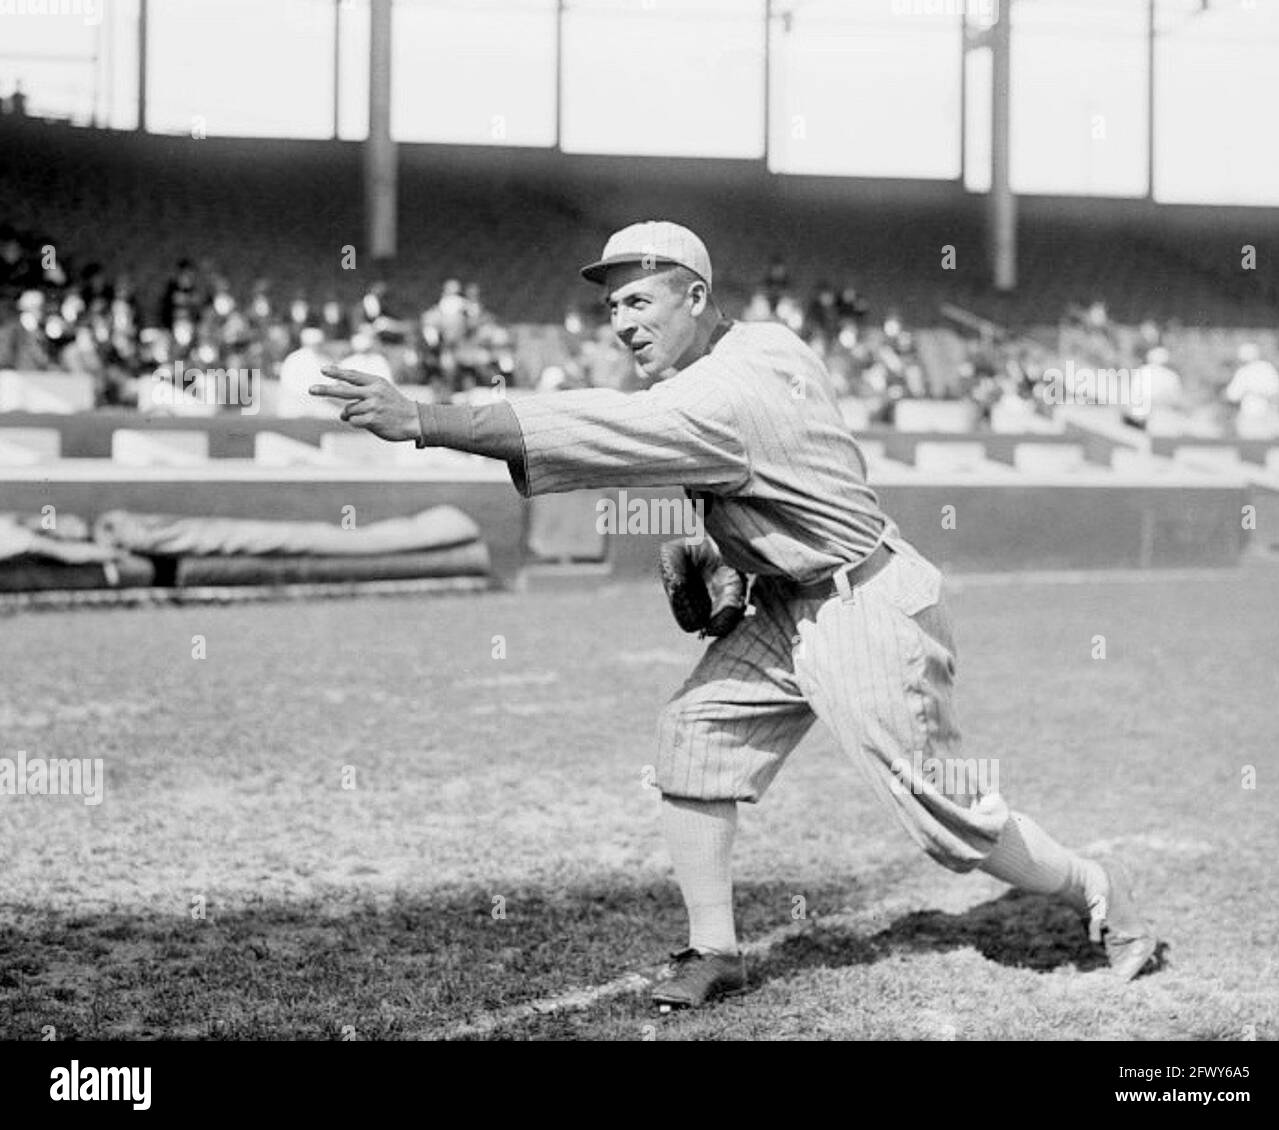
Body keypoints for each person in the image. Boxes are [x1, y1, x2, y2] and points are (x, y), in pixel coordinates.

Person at [311, 220, 1158, 1010]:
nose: (622, 323)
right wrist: (727, 550)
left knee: (949, 822)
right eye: (611, 306)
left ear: (695, 298)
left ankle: (1095, 884)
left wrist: (424, 419)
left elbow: (602, 426)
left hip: (867, 611)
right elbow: (770, 476)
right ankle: (712, 947)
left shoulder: (711, 398)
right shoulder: (765, 340)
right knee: (694, 736)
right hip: (795, 597)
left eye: (641, 301)